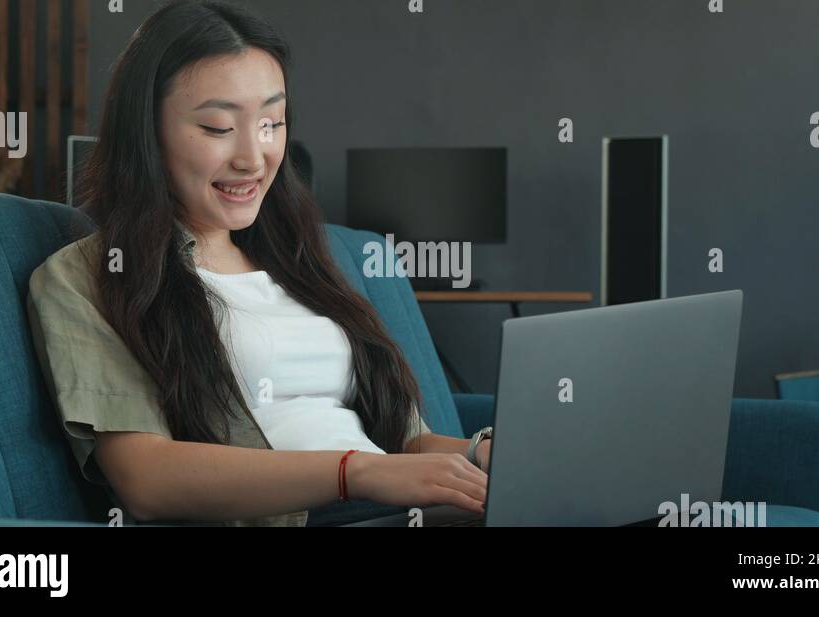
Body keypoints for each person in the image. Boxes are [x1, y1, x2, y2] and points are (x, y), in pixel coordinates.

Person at [26, 0, 490, 527]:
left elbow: (406, 442)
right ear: (147, 134)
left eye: (271, 122)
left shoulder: (303, 258)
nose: (253, 155)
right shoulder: (91, 277)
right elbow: (147, 479)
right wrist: (351, 473)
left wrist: (478, 452)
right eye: (219, 128)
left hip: (388, 508)